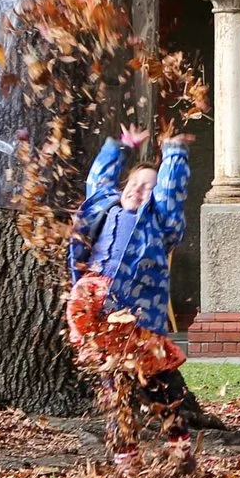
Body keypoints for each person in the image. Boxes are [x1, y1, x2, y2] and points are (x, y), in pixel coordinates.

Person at [67, 126, 194, 437]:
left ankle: (179, 445)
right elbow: (98, 181)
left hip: (136, 316)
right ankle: (125, 456)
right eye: (134, 183)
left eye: (148, 188)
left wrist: (174, 156)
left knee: (159, 387)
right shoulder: (104, 206)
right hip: (101, 312)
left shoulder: (159, 222)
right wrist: (122, 148)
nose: (137, 190)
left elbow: (170, 196)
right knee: (115, 391)